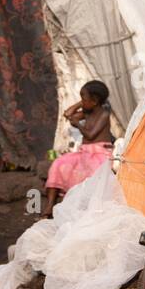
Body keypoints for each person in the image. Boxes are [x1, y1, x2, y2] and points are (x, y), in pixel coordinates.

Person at [42, 80, 114, 216]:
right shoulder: (87, 112)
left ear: (95, 101)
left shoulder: (104, 114)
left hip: (100, 153)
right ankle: (50, 206)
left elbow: (91, 135)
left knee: (88, 172)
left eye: (83, 98)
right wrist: (82, 103)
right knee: (59, 164)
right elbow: (68, 114)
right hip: (84, 152)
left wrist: (78, 125)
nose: (82, 101)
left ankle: (79, 207)